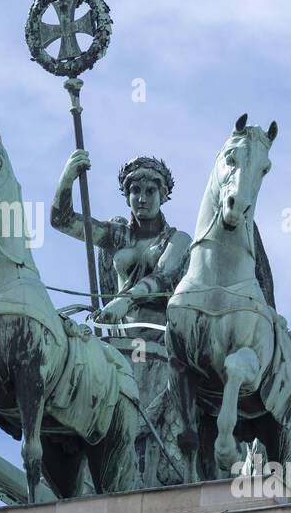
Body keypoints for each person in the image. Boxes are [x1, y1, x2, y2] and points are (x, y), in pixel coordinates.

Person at [50, 150, 192, 487]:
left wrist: (122, 300)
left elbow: (163, 279)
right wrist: (68, 176)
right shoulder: (116, 234)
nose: (141, 199)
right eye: (134, 191)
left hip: (158, 339)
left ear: (164, 194)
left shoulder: (178, 240)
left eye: (150, 191)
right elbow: (62, 220)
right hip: (115, 341)